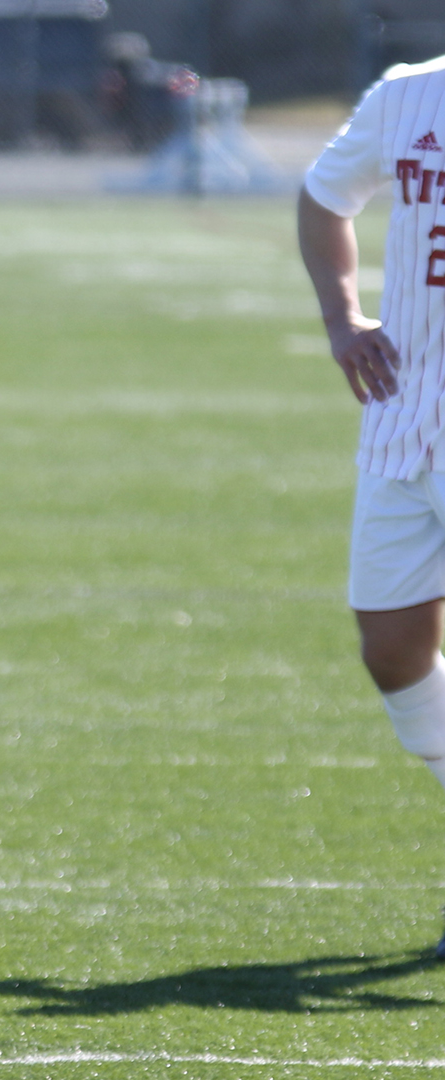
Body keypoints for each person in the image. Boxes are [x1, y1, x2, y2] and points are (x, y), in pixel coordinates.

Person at [297, 54, 445, 956]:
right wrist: (340, 315)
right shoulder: (406, 92)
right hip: (402, 418)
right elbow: (324, 198)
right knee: (390, 647)